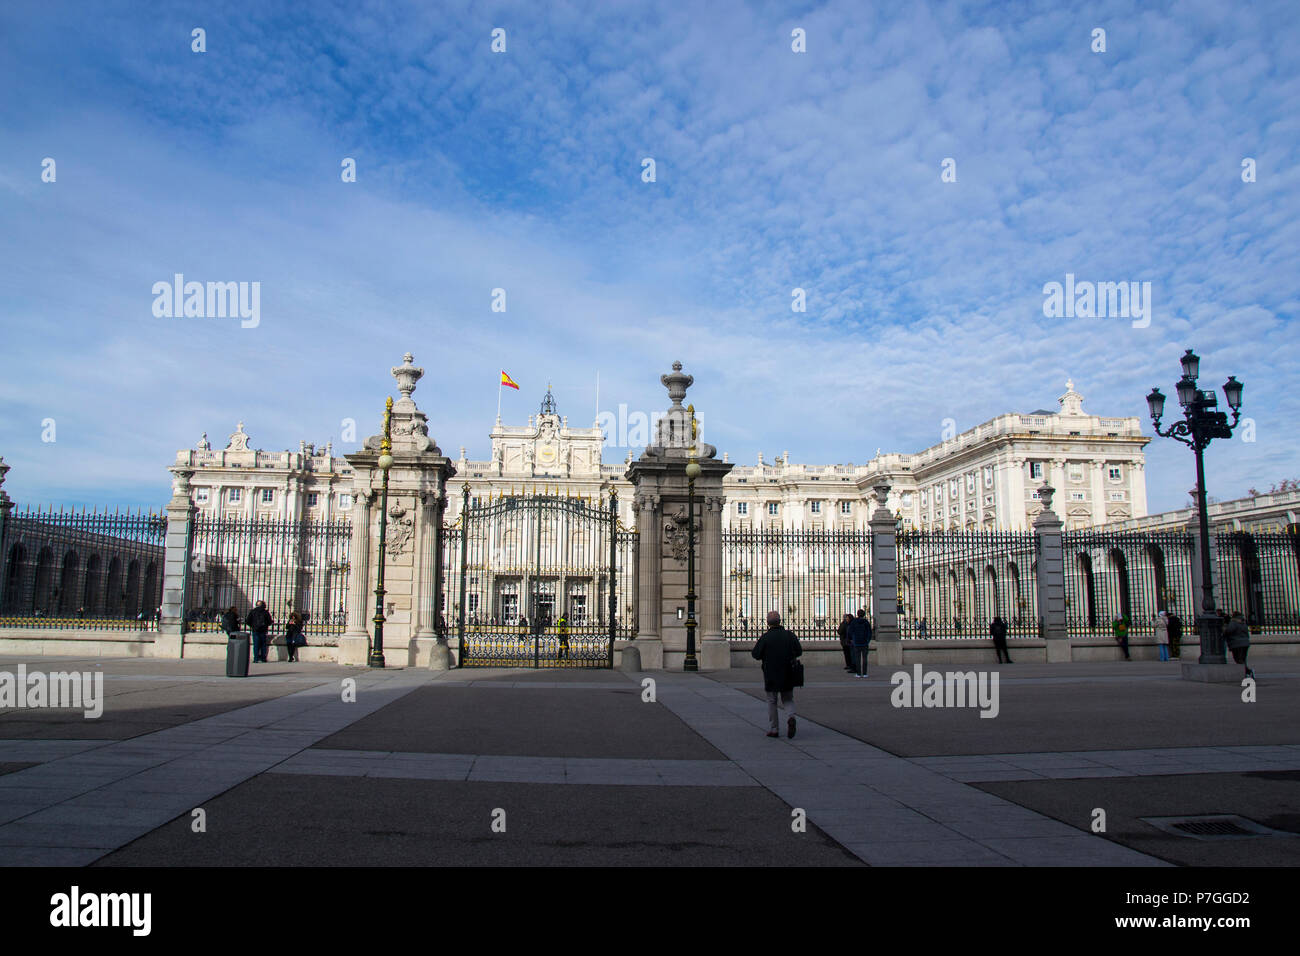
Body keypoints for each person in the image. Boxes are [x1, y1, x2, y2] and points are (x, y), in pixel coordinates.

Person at [751, 610, 802, 738]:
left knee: (772, 701)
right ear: (780, 621)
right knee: (788, 698)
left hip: (771, 672)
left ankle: (774, 729)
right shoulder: (789, 635)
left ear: (768, 623)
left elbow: (755, 654)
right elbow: (799, 651)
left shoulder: (766, 637)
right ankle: (791, 716)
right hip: (788, 671)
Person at [1223, 611, 1253, 679]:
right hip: (1245, 643)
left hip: (1236, 644)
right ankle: (1246, 673)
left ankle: (1248, 672)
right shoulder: (1243, 623)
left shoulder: (1233, 623)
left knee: (1238, 659)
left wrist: (1224, 628)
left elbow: (1228, 631)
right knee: (1242, 659)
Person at [849, 607, 872, 678]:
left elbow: (850, 631)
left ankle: (858, 673)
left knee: (857, 659)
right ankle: (865, 673)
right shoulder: (866, 622)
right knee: (865, 659)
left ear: (857, 614)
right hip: (865, 643)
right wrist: (867, 640)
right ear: (864, 614)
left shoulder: (854, 622)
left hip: (856, 643)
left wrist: (853, 639)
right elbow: (869, 632)